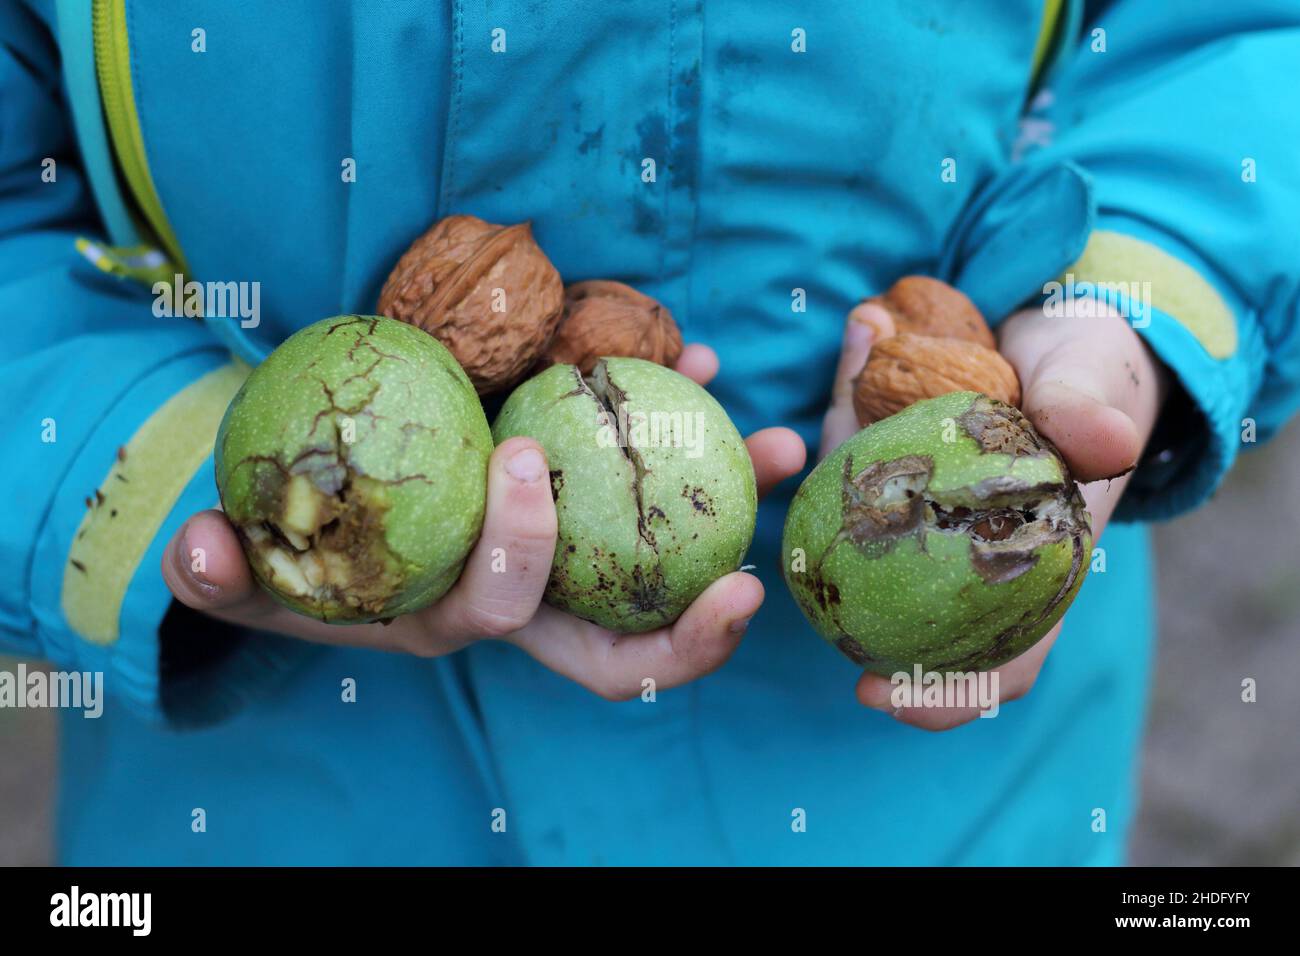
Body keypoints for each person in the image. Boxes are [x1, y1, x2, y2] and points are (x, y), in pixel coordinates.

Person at [2, 0, 1296, 865]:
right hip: (273, 797)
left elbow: (1236, 40)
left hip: (924, 801)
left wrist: (1141, 290)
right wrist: (128, 460)